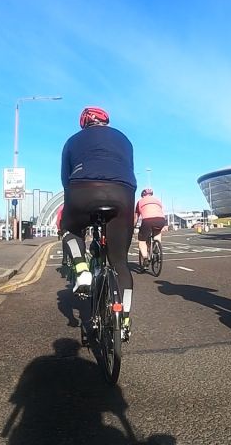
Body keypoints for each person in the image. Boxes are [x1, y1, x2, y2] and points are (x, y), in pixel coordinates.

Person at [61, 107, 137, 341]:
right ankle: (123, 320)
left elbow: (65, 179)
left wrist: (73, 205)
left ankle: (82, 270)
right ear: (106, 121)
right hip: (122, 192)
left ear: (84, 123)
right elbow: (129, 170)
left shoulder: (72, 141)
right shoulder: (124, 139)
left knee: (69, 229)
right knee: (120, 263)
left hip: (83, 188)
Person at [134, 188, 166, 269]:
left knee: (142, 241)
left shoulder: (140, 202)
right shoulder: (157, 201)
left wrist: (133, 226)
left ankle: (145, 258)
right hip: (161, 220)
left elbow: (136, 217)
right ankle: (156, 246)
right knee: (157, 232)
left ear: (142, 195)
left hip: (148, 220)